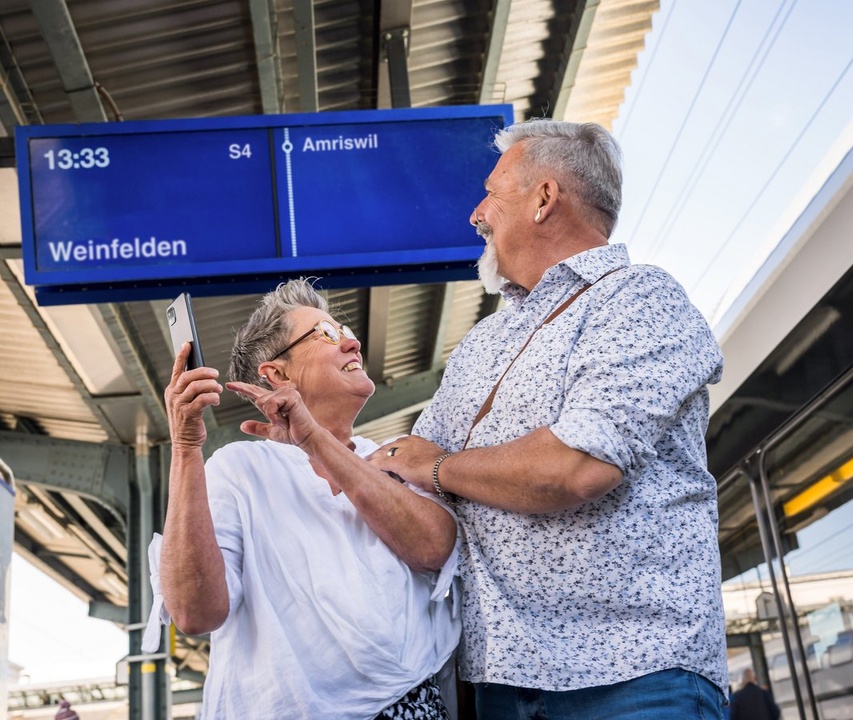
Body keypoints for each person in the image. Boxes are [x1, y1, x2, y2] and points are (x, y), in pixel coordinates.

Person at [369, 118, 727, 719]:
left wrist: (438, 466)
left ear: (543, 199)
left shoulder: (639, 298)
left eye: (491, 191)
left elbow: (576, 466)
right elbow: (405, 469)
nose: (476, 214)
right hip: (501, 687)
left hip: (635, 677)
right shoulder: (483, 343)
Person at [144, 279, 460, 719]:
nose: (353, 342)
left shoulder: (392, 455)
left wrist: (315, 439)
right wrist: (184, 448)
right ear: (277, 375)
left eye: (345, 328)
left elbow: (433, 547)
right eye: (328, 334)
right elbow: (195, 614)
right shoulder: (240, 470)